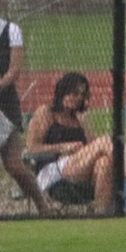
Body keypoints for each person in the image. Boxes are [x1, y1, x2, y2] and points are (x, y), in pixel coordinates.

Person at [0, 0, 50, 214]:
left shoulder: (11, 30)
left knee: (16, 166)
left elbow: (15, 68)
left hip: (5, 102)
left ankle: (41, 203)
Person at [25, 71, 117, 209]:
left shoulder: (79, 118)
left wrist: (84, 125)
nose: (78, 98)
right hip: (53, 170)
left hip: (79, 166)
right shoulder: (46, 113)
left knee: (104, 162)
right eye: (74, 93)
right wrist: (63, 147)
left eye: (82, 94)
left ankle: (100, 213)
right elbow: (31, 148)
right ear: (63, 91)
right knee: (105, 141)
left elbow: (93, 146)